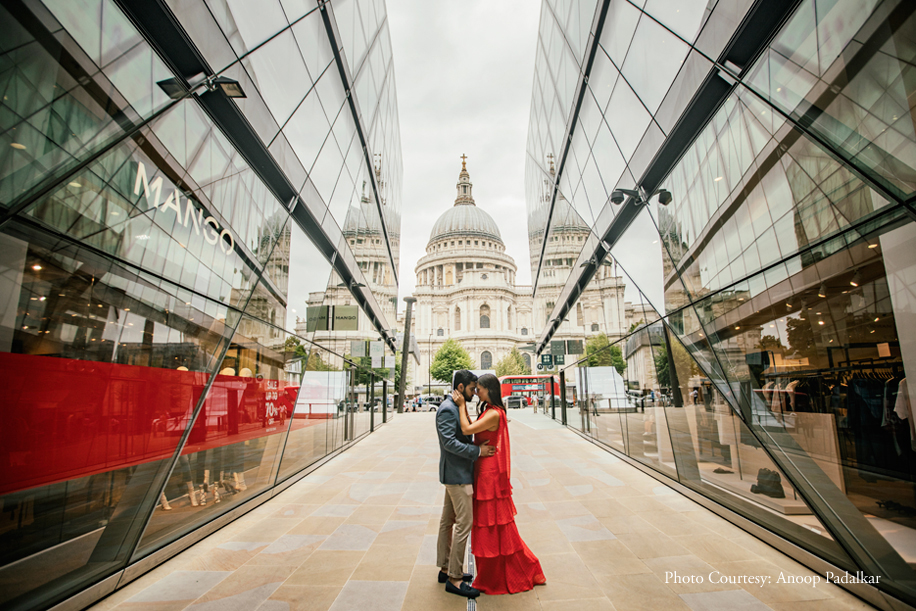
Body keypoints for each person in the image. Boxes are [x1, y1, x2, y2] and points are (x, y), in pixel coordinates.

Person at [453, 373, 546, 595]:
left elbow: (467, 429)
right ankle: (490, 570)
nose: (477, 392)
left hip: (489, 471)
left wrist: (460, 405)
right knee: (489, 522)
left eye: (480, 389)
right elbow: (473, 428)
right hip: (484, 466)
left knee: (491, 521)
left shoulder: (494, 413)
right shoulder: (489, 410)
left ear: (489, 390)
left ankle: (501, 572)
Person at [436, 370, 497, 599]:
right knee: (464, 523)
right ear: (460, 388)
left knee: (447, 521)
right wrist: (477, 451)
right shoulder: (447, 410)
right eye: (472, 388)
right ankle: (454, 578)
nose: (475, 392)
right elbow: (449, 443)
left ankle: (445, 568)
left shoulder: (454, 407)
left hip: (456, 473)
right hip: (457, 475)